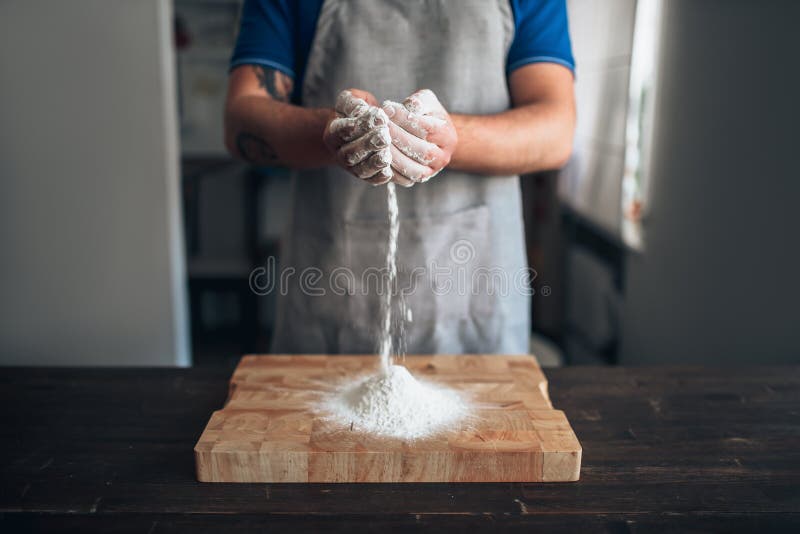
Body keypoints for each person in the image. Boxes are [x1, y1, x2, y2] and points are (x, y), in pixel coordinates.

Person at [225, 0, 576, 355]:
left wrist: (446, 137)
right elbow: (242, 119)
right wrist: (332, 131)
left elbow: (557, 129)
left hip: (477, 291)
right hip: (332, 294)